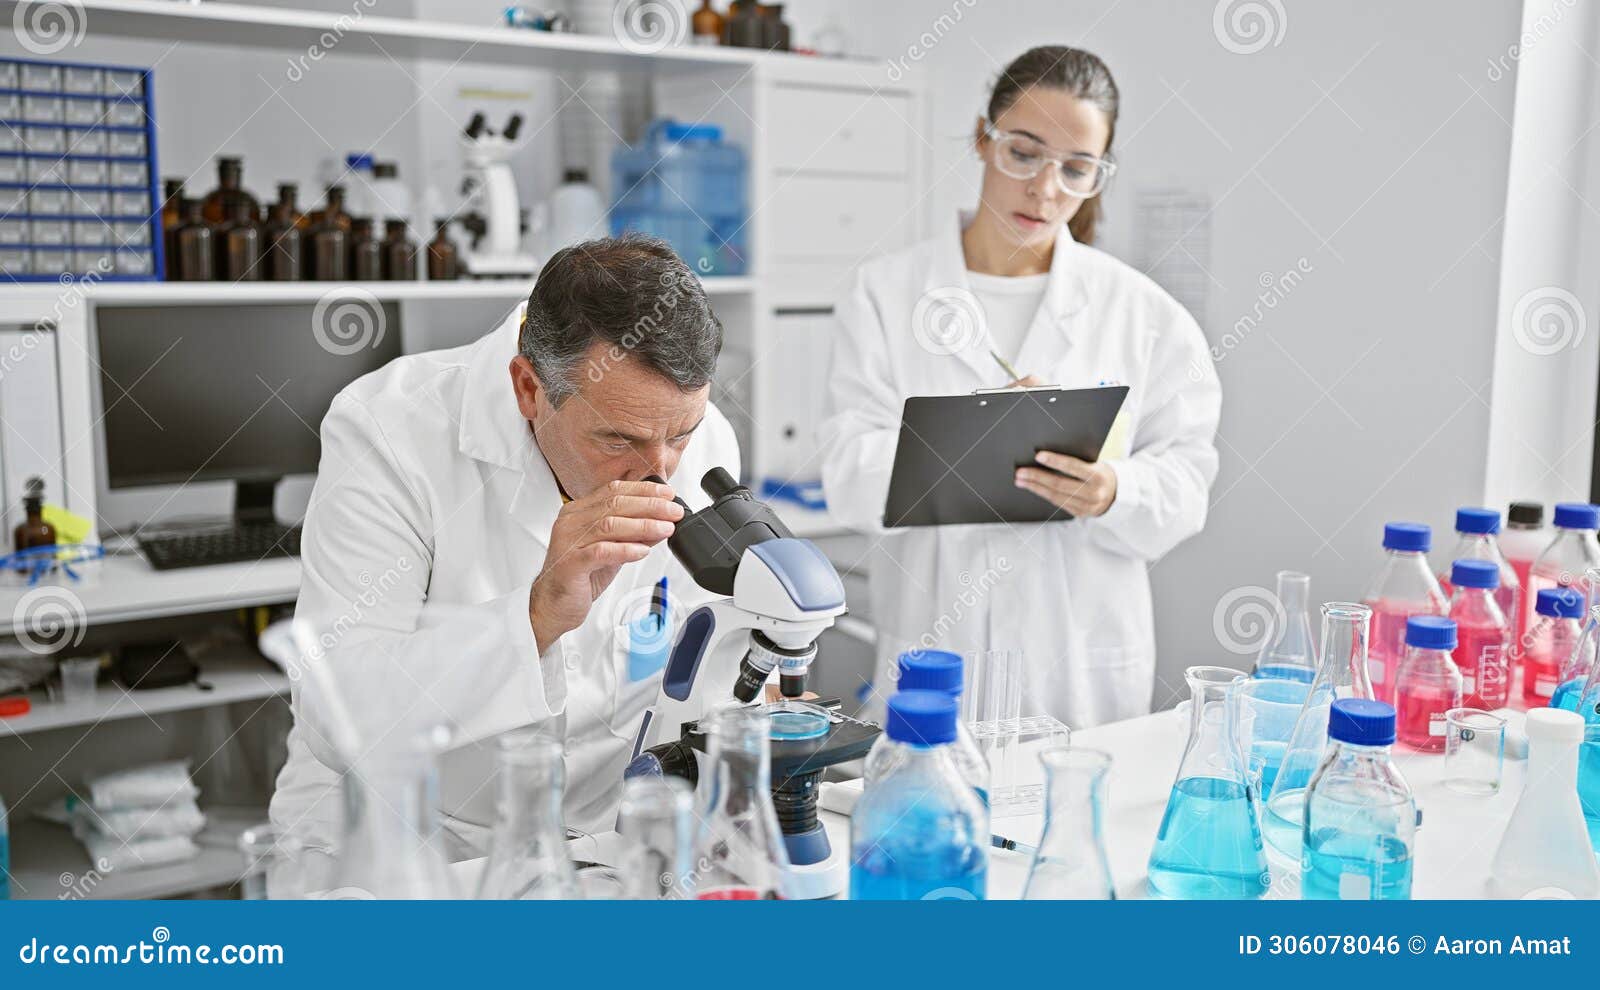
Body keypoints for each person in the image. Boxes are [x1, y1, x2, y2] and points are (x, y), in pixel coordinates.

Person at [269, 235, 740, 860]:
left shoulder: (698, 440)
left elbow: (697, 663)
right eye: (616, 439)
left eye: (681, 435)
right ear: (527, 388)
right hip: (413, 834)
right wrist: (535, 617)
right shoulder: (389, 429)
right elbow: (337, 712)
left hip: (601, 840)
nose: (659, 472)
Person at [819, 46, 1222, 729]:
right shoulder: (886, 294)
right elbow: (847, 476)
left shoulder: (1145, 315)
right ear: (984, 139)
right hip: (937, 654)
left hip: (1077, 670)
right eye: (1024, 153)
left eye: (1076, 168)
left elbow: (1186, 485)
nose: (1045, 189)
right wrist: (970, 443)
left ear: (1099, 173)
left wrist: (1114, 490)